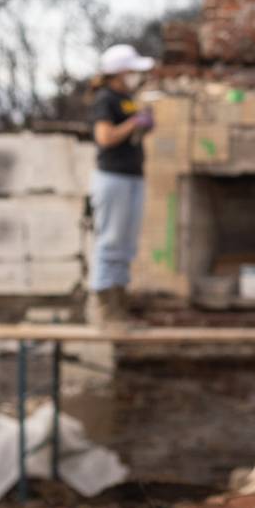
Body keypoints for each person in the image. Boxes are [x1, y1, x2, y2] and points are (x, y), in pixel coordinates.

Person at [88, 43, 155, 324]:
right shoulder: (105, 99)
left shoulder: (128, 98)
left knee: (126, 242)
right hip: (112, 177)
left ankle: (121, 300)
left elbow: (134, 132)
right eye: (132, 71)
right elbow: (104, 138)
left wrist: (146, 122)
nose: (136, 77)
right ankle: (107, 307)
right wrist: (132, 123)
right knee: (111, 241)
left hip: (132, 176)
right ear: (119, 73)